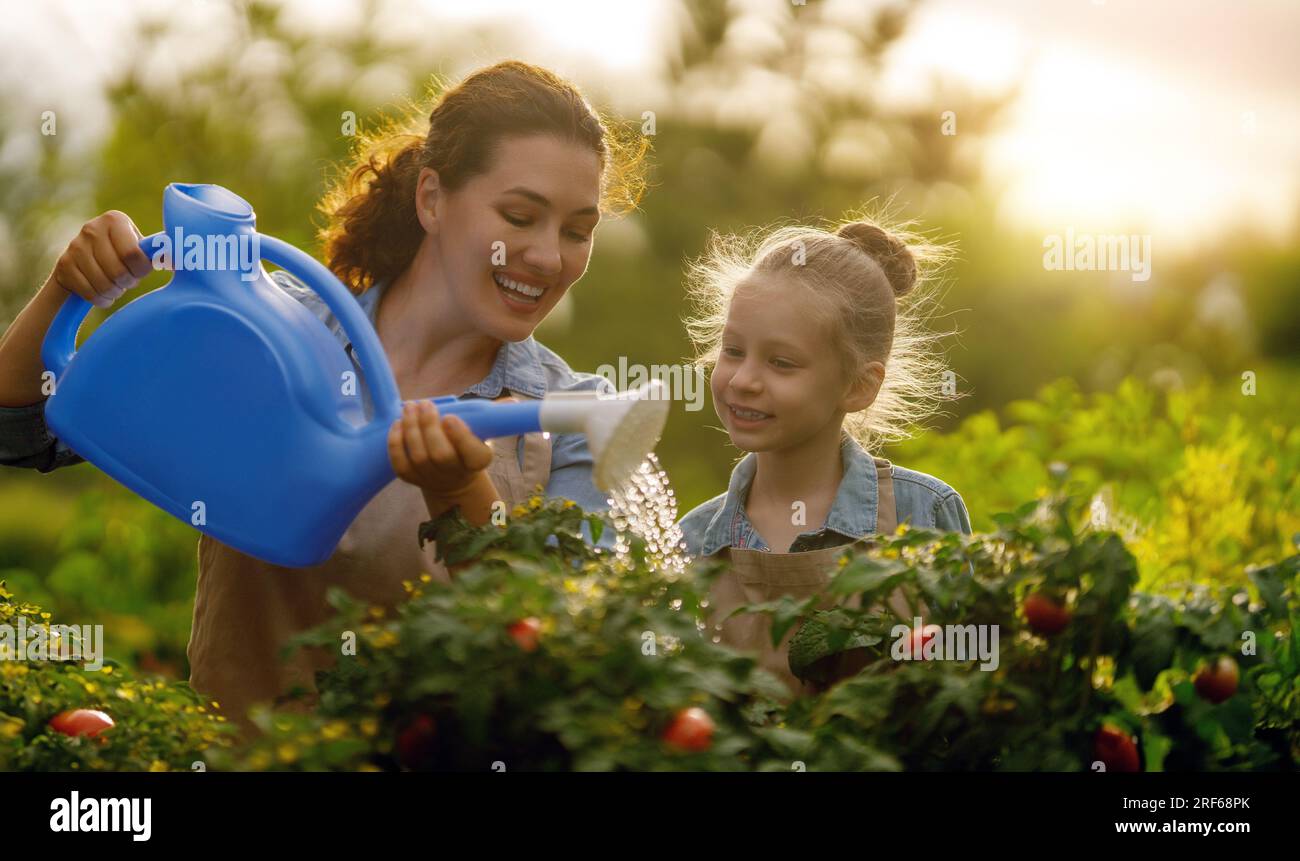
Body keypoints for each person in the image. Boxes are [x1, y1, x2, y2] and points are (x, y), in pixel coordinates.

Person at [0, 60, 647, 733]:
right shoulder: (264, 335)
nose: (548, 257)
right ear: (431, 198)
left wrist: (463, 499)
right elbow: (21, 432)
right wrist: (66, 291)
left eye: (577, 231)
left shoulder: (572, 418)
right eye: (520, 215)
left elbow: (572, 669)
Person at [677, 215, 972, 696]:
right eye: (733, 350)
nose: (742, 380)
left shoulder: (924, 515)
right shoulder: (691, 543)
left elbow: (974, 693)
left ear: (858, 386)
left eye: (780, 362)